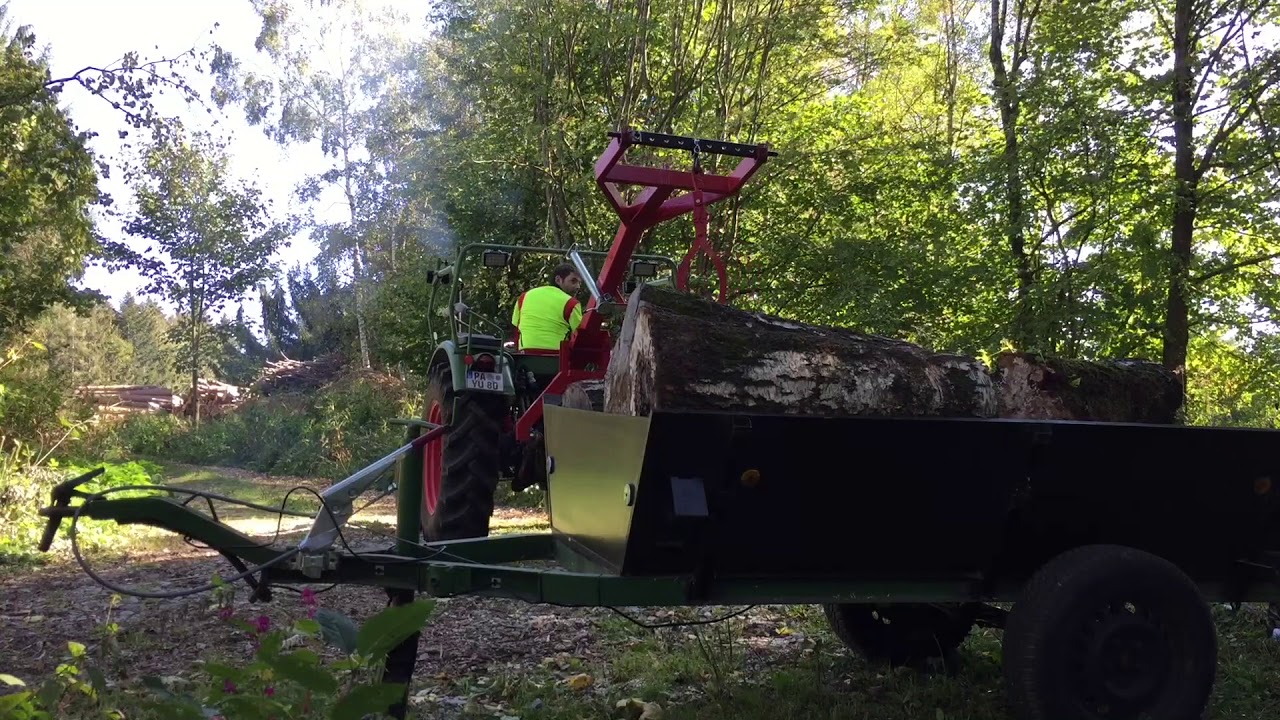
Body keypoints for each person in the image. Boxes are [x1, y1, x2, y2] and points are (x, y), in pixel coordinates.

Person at [510, 263, 584, 351]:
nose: (578, 286)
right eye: (573, 281)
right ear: (558, 280)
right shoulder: (571, 303)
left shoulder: (524, 297)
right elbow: (580, 335)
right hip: (556, 355)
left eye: (580, 283)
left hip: (525, 353)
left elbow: (516, 329)